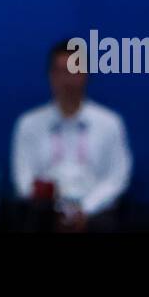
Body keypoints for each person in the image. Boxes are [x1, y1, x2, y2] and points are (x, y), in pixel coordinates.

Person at [9, 40, 132, 232]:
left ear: (86, 74)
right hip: (44, 211)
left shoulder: (109, 123)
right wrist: (56, 210)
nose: (67, 79)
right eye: (61, 72)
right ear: (51, 76)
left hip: (93, 211)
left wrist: (85, 209)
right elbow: (23, 178)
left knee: (107, 225)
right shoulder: (29, 124)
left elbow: (117, 177)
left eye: (74, 70)